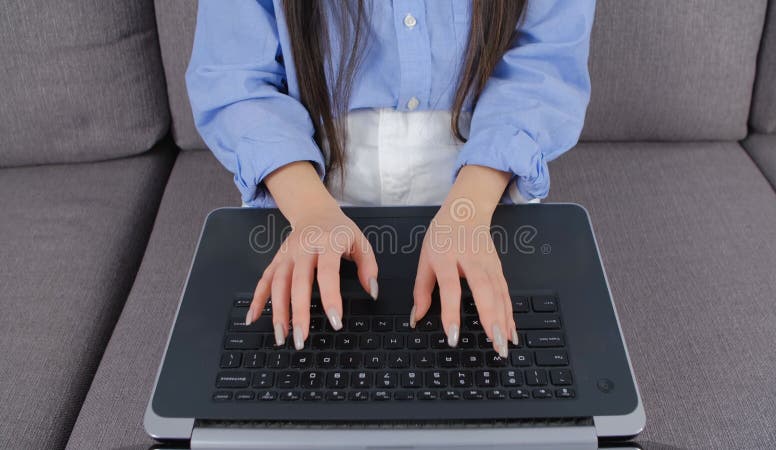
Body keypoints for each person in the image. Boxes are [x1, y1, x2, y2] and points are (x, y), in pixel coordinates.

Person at [186, 0, 594, 358]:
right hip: (304, 194)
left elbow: (546, 59)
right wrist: (312, 213)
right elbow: (234, 75)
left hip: (487, 193)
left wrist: (469, 208)